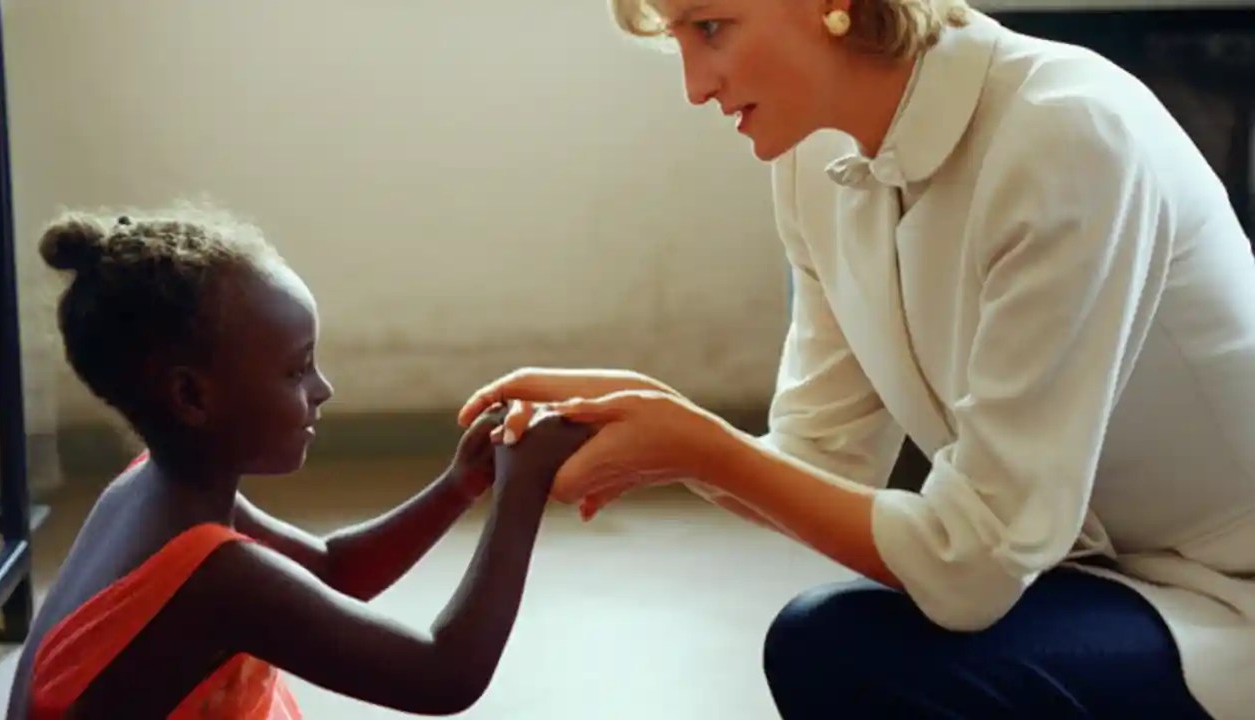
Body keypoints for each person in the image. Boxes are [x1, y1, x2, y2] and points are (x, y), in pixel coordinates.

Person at [459, 0, 1255, 717]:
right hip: (1096, 572)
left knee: (839, 650)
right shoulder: (815, 159)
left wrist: (696, 445)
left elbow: (973, 566)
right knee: (836, 647)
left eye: (711, 29)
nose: (696, 88)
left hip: (1229, 591)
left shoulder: (1066, 131)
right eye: (680, 42)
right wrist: (639, 433)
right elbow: (822, 457)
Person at [6, 207, 591, 719]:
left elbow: (332, 569)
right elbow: (446, 675)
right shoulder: (216, 578)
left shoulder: (150, 487)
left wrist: (458, 487)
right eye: (297, 369)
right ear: (191, 397)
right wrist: (526, 485)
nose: (322, 388)